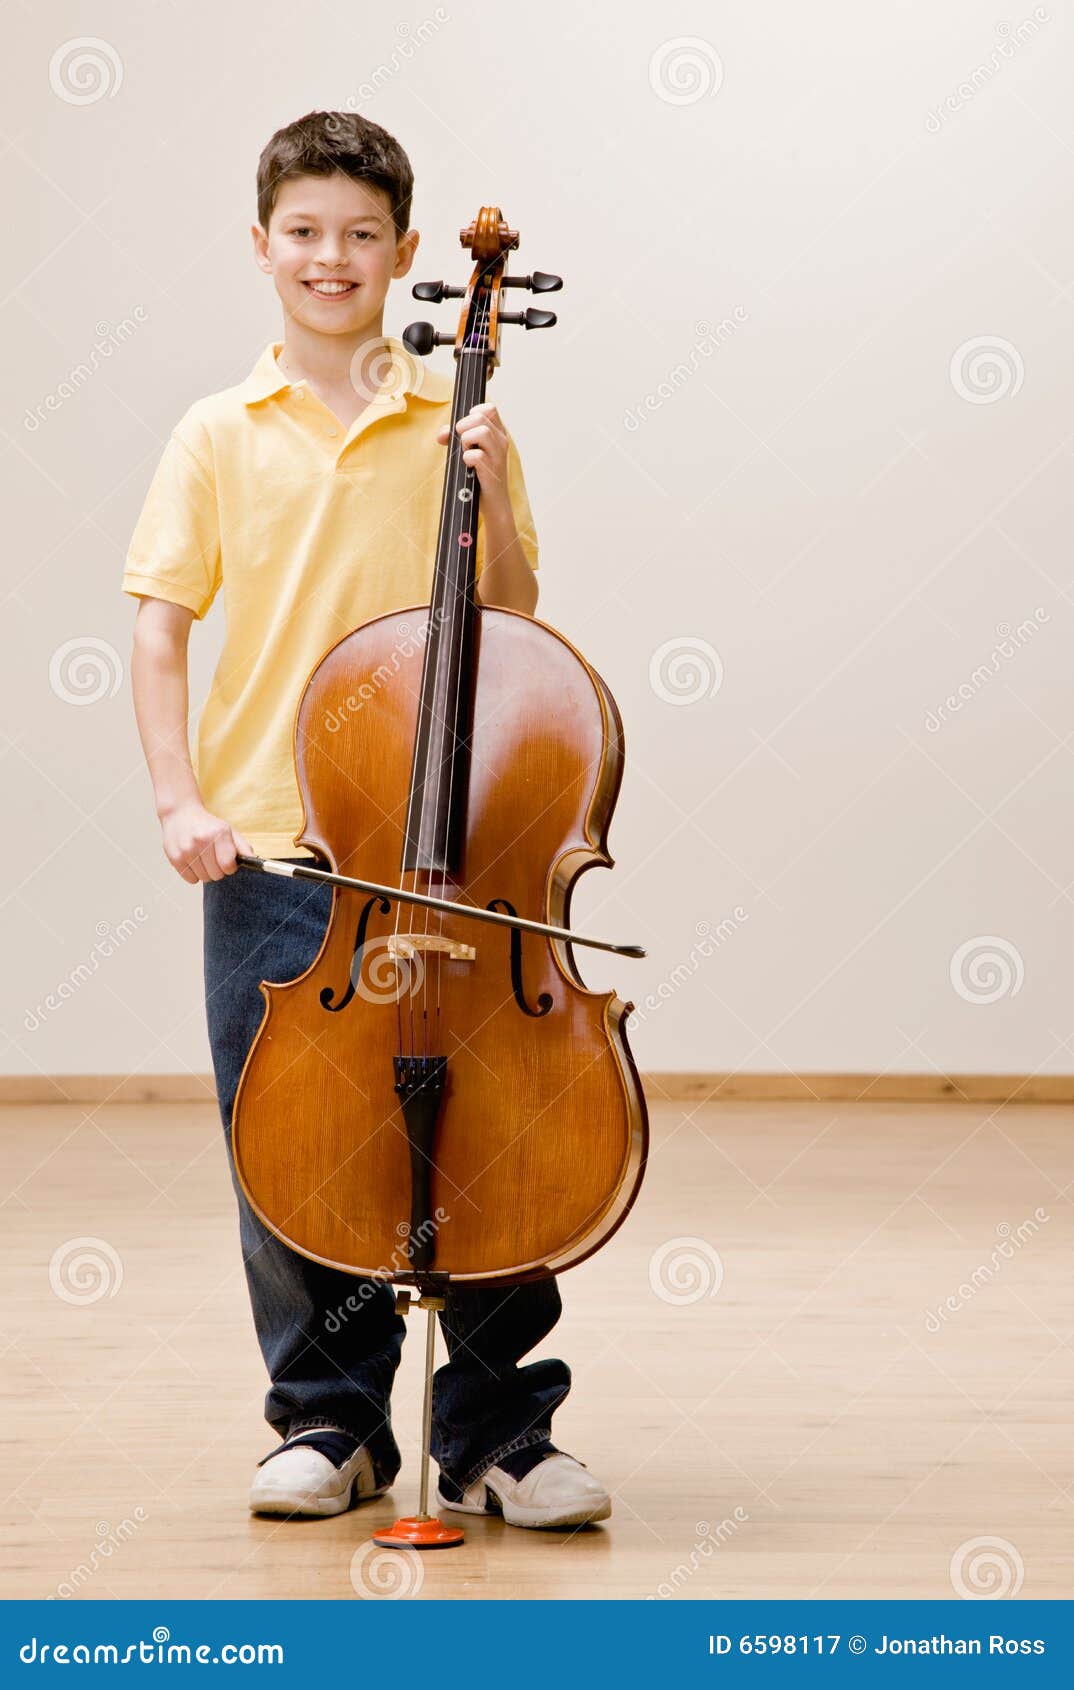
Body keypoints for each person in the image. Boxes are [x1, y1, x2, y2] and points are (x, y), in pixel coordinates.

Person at [123, 110, 610, 1531]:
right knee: (288, 1136)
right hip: (277, 839)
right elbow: (157, 631)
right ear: (263, 245)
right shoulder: (218, 431)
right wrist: (178, 799)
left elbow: (512, 616)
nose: (330, 257)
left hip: (450, 845)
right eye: (303, 231)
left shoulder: (449, 417)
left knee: (498, 1127)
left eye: (359, 233)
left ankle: (499, 1432)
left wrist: (486, 475)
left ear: (405, 254)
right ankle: (329, 1421)